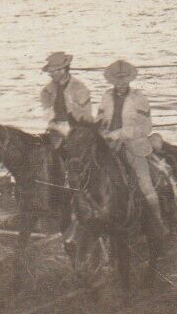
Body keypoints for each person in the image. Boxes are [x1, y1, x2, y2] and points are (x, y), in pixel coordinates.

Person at [97, 60, 165, 234]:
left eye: (124, 80)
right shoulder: (105, 97)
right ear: (112, 81)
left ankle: (158, 222)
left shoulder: (139, 98)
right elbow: (99, 121)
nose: (121, 84)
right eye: (117, 81)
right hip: (109, 144)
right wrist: (101, 132)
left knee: (145, 183)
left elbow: (146, 127)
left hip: (134, 145)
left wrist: (122, 133)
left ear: (130, 80)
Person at [40, 51, 94, 146]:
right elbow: (48, 113)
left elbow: (86, 117)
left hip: (76, 129)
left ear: (63, 70)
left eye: (53, 71)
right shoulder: (47, 91)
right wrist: (54, 125)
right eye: (50, 72)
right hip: (55, 128)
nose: (51, 75)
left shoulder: (79, 88)